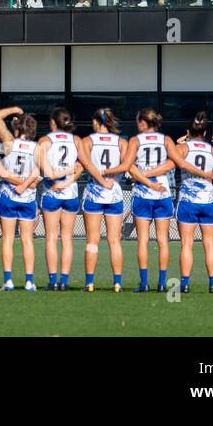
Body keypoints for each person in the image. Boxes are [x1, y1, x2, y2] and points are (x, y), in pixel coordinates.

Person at [126, 108, 176, 292]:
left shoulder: (135, 140)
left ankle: (144, 283)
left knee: (142, 240)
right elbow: (173, 162)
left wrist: (144, 175)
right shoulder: (166, 140)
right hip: (162, 192)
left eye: (138, 121)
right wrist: (155, 173)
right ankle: (162, 284)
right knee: (163, 240)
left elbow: (129, 166)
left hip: (142, 193)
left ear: (143, 123)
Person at [172, 111, 213, 293]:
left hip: (188, 200)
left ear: (188, 132)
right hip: (208, 200)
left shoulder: (183, 149)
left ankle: (184, 283)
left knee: (186, 243)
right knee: (210, 243)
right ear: (206, 133)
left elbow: (172, 160)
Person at [79, 108, 128, 292]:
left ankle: (90, 283)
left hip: (94, 192)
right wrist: (110, 177)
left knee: (92, 240)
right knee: (115, 241)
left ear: (95, 122)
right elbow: (125, 164)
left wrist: (100, 179)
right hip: (114, 192)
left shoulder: (88, 141)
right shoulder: (121, 142)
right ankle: (117, 283)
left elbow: (86, 164)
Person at [0, 107, 40, 292]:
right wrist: (29, 182)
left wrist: (14, 110)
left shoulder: (9, 142)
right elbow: (40, 173)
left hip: (9, 195)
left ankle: (8, 280)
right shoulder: (38, 148)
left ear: (17, 128)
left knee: (8, 240)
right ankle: (29, 281)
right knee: (27, 240)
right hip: (27, 197)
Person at [37, 108, 82, 290]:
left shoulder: (45, 140)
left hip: (51, 193)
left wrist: (58, 180)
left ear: (53, 122)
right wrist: (67, 181)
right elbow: (81, 167)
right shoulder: (76, 140)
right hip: (70, 193)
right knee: (67, 239)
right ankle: (64, 282)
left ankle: (53, 281)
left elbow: (45, 171)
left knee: (50, 238)